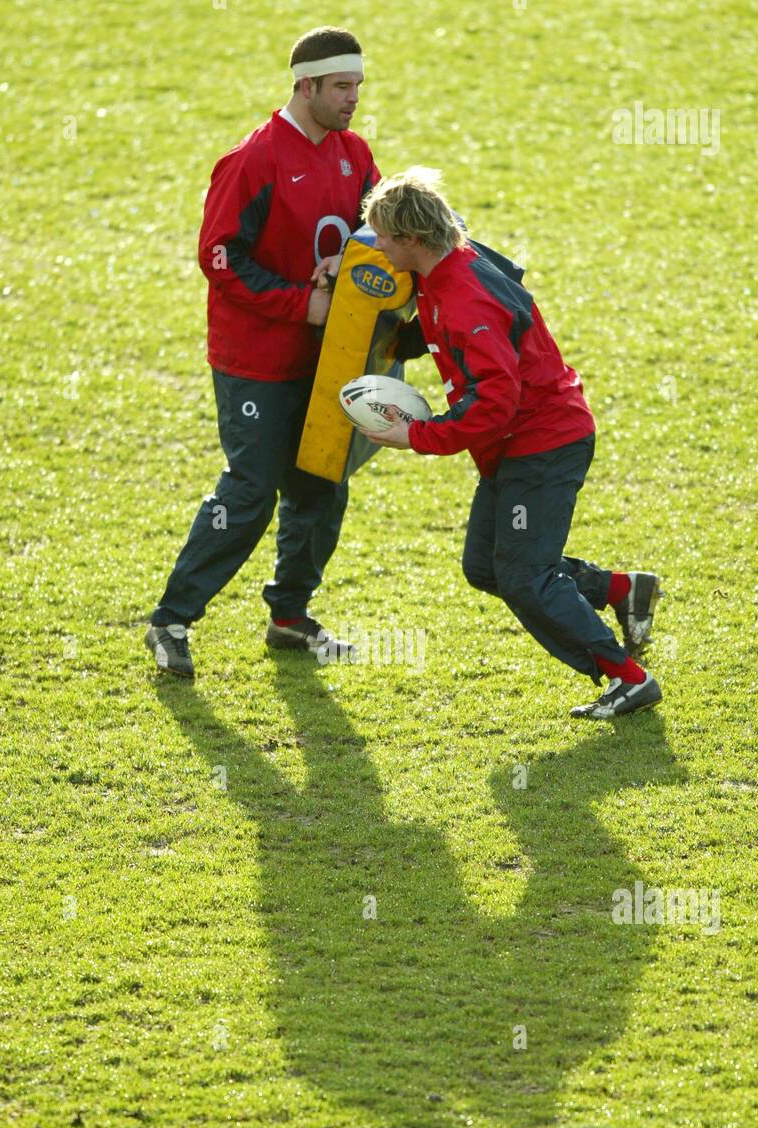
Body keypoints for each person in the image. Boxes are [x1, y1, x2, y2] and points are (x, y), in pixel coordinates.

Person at [359, 168, 663, 720]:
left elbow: (496, 401)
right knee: (486, 566)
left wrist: (416, 436)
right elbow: (448, 328)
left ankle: (628, 678)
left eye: (383, 236)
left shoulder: (464, 298)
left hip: (542, 442)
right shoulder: (448, 266)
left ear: (414, 240)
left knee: (525, 576)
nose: (376, 245)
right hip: (516, 444)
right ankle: (622, 589)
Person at [145, 27, 379, 677]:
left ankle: (289, 615)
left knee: (321, 485)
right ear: (304, 86)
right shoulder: (253, 159)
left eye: (357, 86)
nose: (352, 99)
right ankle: (171, 621)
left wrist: (354, 259)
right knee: (249, 492)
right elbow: (219, 257)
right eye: (341, 87)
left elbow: (374, 230)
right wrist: (299, 303)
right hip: (256, 364)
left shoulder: (352, 154)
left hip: (326, 359)